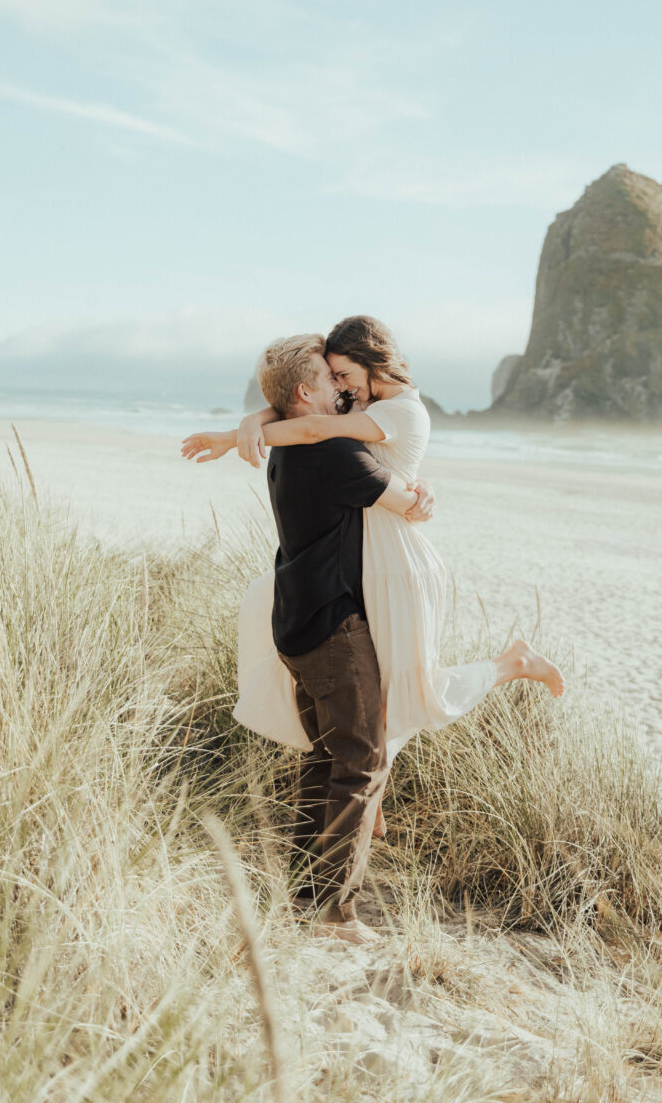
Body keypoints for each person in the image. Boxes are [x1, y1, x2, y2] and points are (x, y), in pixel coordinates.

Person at [184, 317, 564, 818]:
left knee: (414, 690)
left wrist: (232, 437)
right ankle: (370, 794)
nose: (339, 387)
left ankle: (511, 664)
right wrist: (251, 423)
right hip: (364, 565)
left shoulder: (401, 411)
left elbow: (317, 426)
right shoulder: (363, 403)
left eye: (343, 374)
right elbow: (295, 403)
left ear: (369, 362)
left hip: (398, 565)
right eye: (333, 377)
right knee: (380, 693)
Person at [184, 333, 432, 945]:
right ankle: (335, 913)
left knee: (326, 759)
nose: (342, 389)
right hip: (334, 627)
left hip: (296, 621)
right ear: (306, 391)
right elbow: (408, 504)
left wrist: (252, 421)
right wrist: (422, 495)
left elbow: (293, 417)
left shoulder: (298, 447)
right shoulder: (333, 454)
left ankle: (304, 894)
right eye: (330, 379)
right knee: (361, 759)